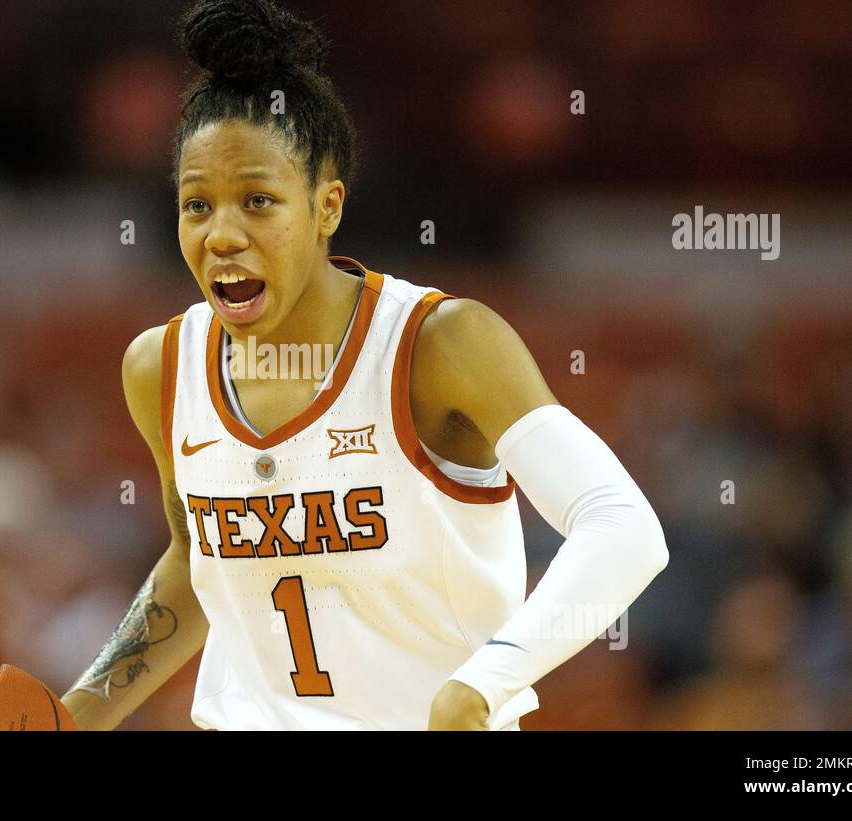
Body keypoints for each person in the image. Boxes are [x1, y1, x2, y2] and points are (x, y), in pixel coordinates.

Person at [60, 0, 669, 730]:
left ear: (327, 206)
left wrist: (483, 682)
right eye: (197, 205)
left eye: (258, 201)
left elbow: (623, 526)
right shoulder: (161, 366)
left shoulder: (439, 343)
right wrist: (71, 714)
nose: (222, 234)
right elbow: (198, 567)